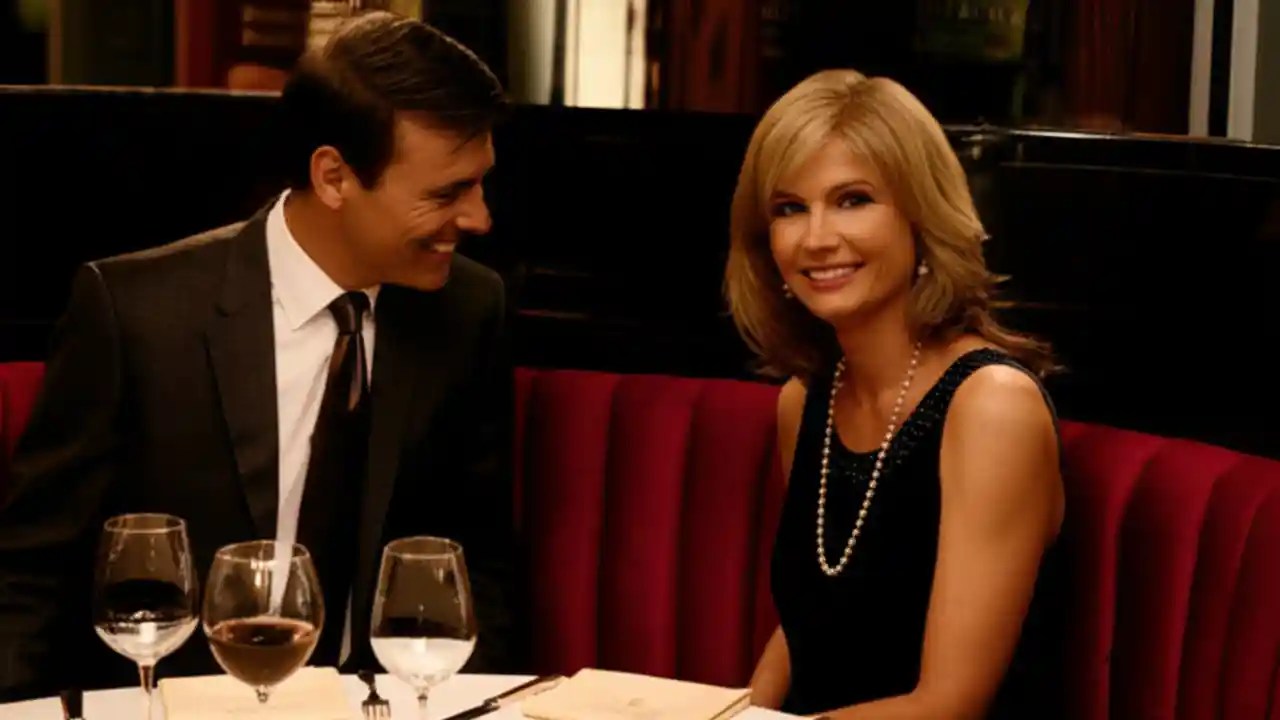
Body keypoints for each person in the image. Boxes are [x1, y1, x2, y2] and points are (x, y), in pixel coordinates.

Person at [0, 11, 522, 700]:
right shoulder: (138, 315)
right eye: (446, 193)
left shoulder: (467, 309)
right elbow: (29, 577)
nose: (480, 217)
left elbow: (477, 564)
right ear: (334, 177)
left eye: (479, 183)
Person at [724, 69, 1066, 719]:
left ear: (921, 214)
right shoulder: (805, 401)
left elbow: (950, 704)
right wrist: (741, 714)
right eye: (789, 208)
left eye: (852, 199)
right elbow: (809, 622)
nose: (817, 237)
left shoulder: (991, 405)